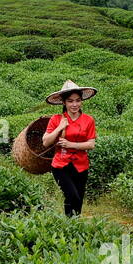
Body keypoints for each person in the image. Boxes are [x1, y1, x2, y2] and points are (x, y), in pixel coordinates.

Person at [42, 79, 97, 217]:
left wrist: (70, 144)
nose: (74, 104)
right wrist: (60, 127)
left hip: (81, 165)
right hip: (61, 165)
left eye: (78, 100)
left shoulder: (88, 120)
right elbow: (45, 142)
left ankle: (72, 227)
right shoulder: (56, 119)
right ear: (64, 102)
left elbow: (91, 144)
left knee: (78, 202)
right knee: (72, 196)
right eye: (70, 101)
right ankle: (69, 225)